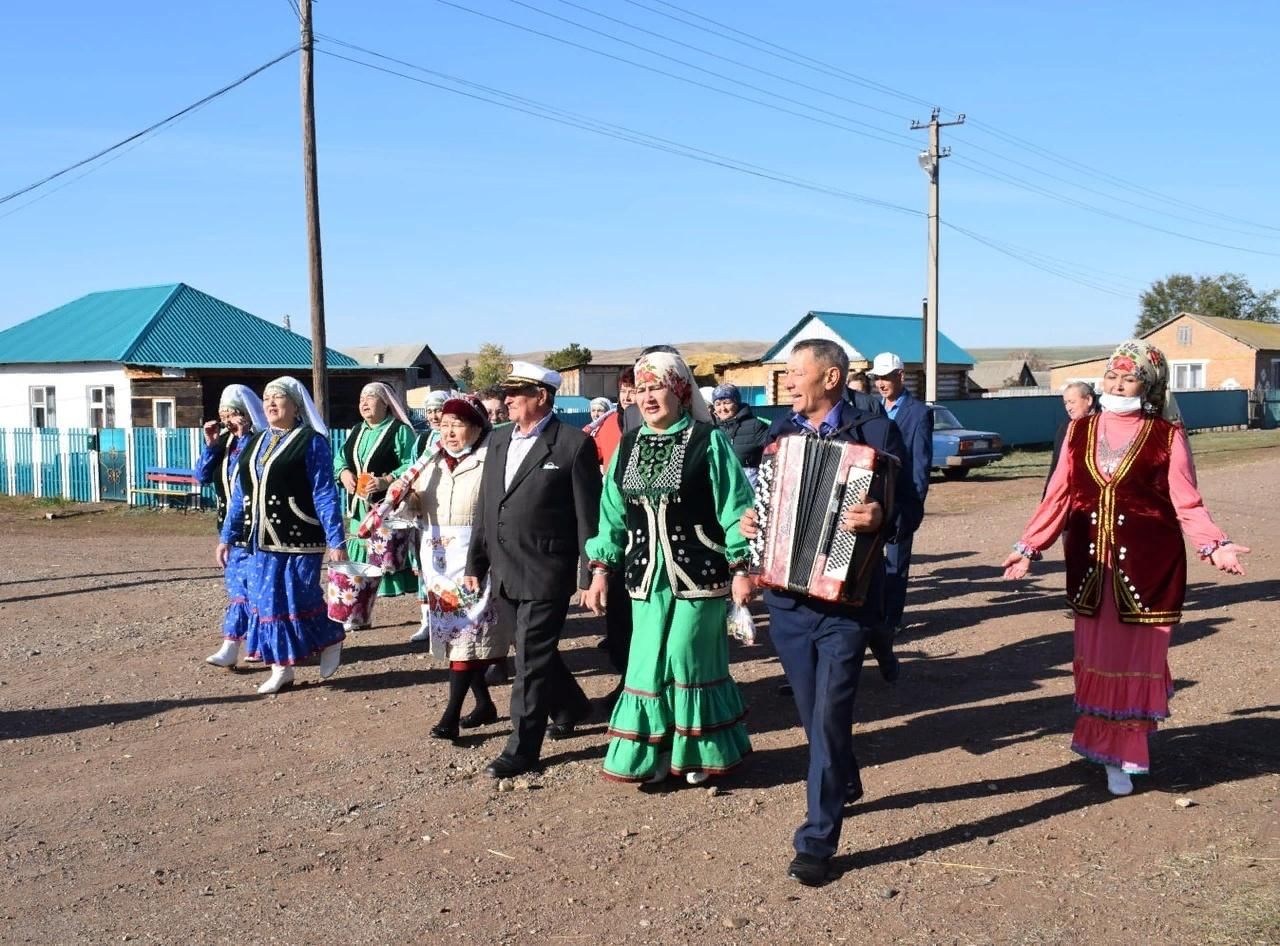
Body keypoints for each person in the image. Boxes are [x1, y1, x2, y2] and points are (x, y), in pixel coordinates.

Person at [1003, 340, 1250, 797]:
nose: (1116, 384)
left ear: (1149, 384)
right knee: (1097, 661)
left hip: (1149, 570)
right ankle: (1105, 752)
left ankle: (1128, 754)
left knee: (1139, 661)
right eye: (1112, 376)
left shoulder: (1167, 435)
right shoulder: (1079, 431)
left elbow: (1186, 499)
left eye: (1128, 377)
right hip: (1092, 570)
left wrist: (1214, 545)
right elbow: (1058, 495)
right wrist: (1029, 546)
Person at [739, 338, 914, 887]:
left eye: (795, 373)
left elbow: (908, 506)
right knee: (812, 711)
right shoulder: (779, 434)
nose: (787, 382)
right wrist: (754, 526)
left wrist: (880, 516)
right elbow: (759, 501)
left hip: (847, 600)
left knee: (830, 715)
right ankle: (842, 774)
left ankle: (817, 838)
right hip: (788, 601)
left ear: (831, 378)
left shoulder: (876, 432)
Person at [582, 352, 754, 785]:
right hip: (645, 578)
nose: (647, 397)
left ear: (678, 390)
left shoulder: (707, 441)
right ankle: (655, 754)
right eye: (640, 389)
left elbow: (734, 507)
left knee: (686, 656)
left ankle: (698, 752)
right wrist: (601, 570)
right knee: (646, 664)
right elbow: (612, 515)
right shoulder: (628, 446)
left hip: (701, 573)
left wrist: (741, 567)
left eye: (656, 387)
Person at [464, 361, 602, 778]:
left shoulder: (572, 445)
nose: (505, 401)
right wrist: (477, 562)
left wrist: (590, 575)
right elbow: (488, 508)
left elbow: (587, 519)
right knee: (532, 650)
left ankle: (523, 748)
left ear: (541, 397)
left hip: (547, 571)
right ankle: (570, 704)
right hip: (505, 569)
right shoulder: (499, 441)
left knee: (529, 660)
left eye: (515, 394)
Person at [217, 376, 347, 695]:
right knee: (267, 602)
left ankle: (332, 637)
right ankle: (281, 668)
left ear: (295, 405)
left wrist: (337, 540)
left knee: (302, 596)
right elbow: (239, 495)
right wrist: (227, 536)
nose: (271, 403)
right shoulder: (257, 442)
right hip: (260, 540)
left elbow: (325, 493)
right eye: (267, 398)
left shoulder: (310, 441)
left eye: (278, 398)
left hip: (300, 536)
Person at [398, 394, 510, 738]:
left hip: (475, 560)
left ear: (477, 429)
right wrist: (402, 498)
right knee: (457, 637)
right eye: (444, 425)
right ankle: (485, 704)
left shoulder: (491, 461)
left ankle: (449, 717)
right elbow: (417, 504)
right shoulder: (431, 461)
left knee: (466, 636)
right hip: (438, 565)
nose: (449, 432)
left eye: (457, 425)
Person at [867, 351, 932, 677]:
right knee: (869, 562)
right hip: (873, 498)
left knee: (897, 561)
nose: (881, 383)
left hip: (902, 500)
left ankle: (891, 621)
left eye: (887, 377)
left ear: (900, 377)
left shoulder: (918, 413)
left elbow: (920, 463)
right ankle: (874, 619)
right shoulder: (871, 409)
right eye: (878, 378)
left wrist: (914, 507)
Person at [334, 383, 419, 628]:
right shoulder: (355, 431)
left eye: (370, 397)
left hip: (386, 508)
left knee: (389, 556)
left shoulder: (399, 431)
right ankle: (357, 615)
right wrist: (344, 474)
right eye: (361, 397)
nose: (364, 402)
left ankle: (426, 613)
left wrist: (385, 480)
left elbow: (411, 463)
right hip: (359, 508)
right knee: (360, 558)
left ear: (386, 403)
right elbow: (340, 458)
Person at [199, 384, 268, 667]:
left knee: (254, 589)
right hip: (229, 528)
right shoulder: (225, 444)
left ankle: (253, 643)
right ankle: (236, 645)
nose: (227, 421)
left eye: (232, 414)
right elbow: (202, 476)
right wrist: (212, 444)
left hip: (256, 528)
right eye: (223, 414)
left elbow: (253, 476)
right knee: (237, 588)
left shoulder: (261, 441)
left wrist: (245, 436)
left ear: (247, 415)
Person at [710, 382, 769, 487]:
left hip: (749, 488)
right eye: (718, 404)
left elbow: (772, 453)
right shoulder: (713, 430)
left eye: (727, 402)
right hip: (722, 487)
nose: (722, 408)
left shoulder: (755, 426)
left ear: (737, 403)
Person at [1046, 381, 1099, 490]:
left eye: (1072, 402)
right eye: (1066, 403)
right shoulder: (1065, 428)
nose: (1068, 408)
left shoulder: (1105, 424)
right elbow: (1056, 466)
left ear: (1088, 400)